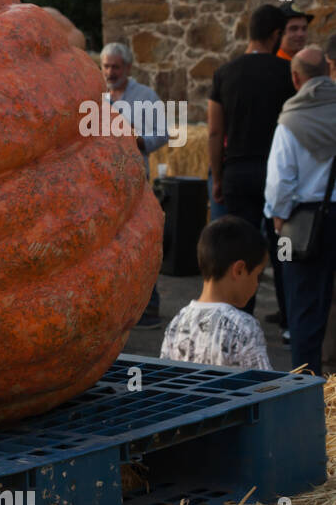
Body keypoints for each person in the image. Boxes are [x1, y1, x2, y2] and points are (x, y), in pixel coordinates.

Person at [208, 4, 293, 320]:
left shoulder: (225, 73)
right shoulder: (286, 74)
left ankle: (241, 315)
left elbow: (215, 131)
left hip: (238, 172)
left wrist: (217, 177)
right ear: (275, 36)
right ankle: (288, 318)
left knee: (240, 249)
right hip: (275, 173)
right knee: (282, 247)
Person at [264, 47, 336, 375]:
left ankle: (304, 386)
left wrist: (278, 218)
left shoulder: (291, 121)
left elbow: (280, 182)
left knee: (303, 306)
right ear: (328, 71)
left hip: (302, 222)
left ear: (295, 78)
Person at [101, 41, 169, 329]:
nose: (110, 71)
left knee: (140, 242)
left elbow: (163, 134)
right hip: (101, 185)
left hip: (134, 183)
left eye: (116, 66)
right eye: (106, 66)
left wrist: (135, 140)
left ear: (127, 67)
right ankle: (114, 307)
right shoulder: (95, 98)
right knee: (108, 248)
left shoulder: (146, 96)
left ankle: (149, 308)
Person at [160, 217, 271, 369]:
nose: (257, 284)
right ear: (239, 270)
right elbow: (264, 387)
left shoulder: (177, 322)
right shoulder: (244, 327)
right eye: (257, 275)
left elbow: (164, 377)